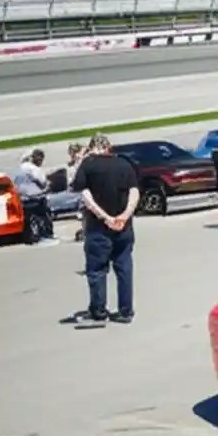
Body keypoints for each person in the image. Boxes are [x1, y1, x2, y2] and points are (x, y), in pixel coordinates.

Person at [66, 133, 139, 327]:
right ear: (109, 148)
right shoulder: (124, 164)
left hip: (99, 228)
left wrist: (104, 216)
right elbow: (134, 191)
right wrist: (125, 214)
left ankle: (98, 311)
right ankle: (126, 311)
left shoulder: (88, 165)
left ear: (91, 148)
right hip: (124, 227)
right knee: (124, 268)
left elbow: (83, 193)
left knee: (97, 270)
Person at [13, 147, 56, 246]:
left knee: (27, 219)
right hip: (36, 197)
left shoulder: (19, 169)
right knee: (44, 215)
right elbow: (42, 181)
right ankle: (46, 234)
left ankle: (29, 237)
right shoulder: (34, 169)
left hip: (23, 198)